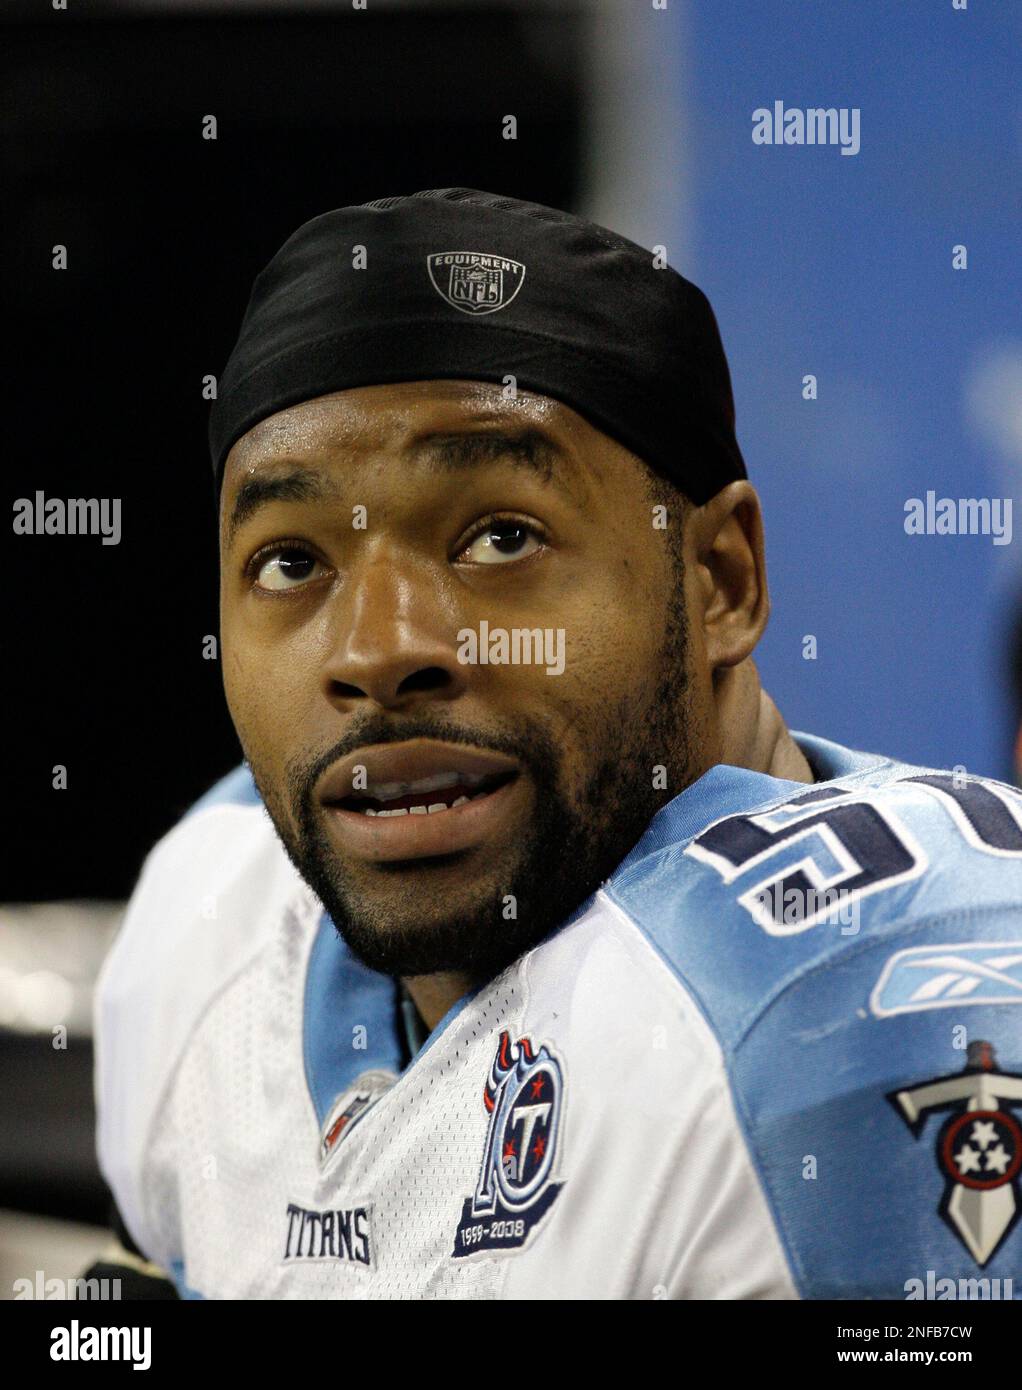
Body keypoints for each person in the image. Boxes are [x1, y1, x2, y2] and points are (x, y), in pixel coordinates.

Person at [91, 189, 1022, 1299]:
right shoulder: (220, 906)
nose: (379, 652)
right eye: (292, 562)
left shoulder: (855, 1012)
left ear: (720, 578)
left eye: (498, 536)